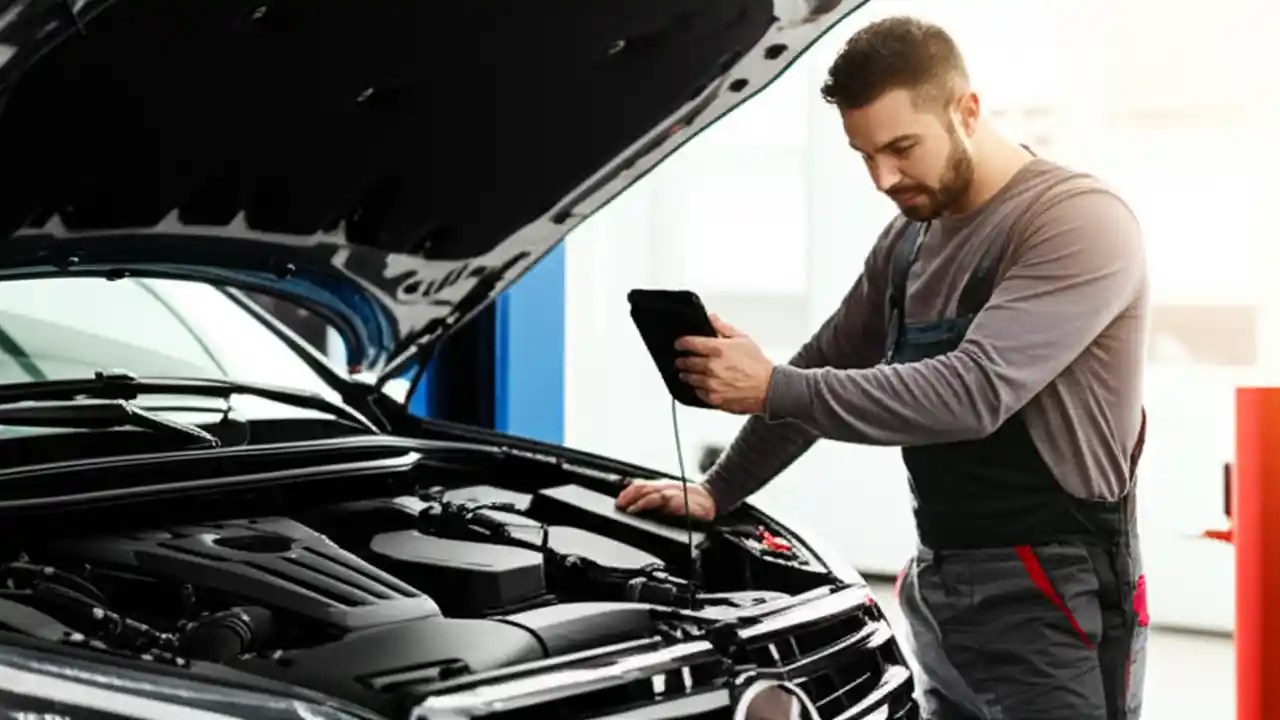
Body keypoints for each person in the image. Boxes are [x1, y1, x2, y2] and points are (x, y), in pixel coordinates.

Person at [614, 15, 1149, 720]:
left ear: (967, 110)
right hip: (941, 589)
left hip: (1054, 600)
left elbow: (974, 392)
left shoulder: (1075, 222)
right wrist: (720, 489)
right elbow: (826, 362)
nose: (883, 178)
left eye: (901, 148)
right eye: (864, 155)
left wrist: (771, 386)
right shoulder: (907, 241)